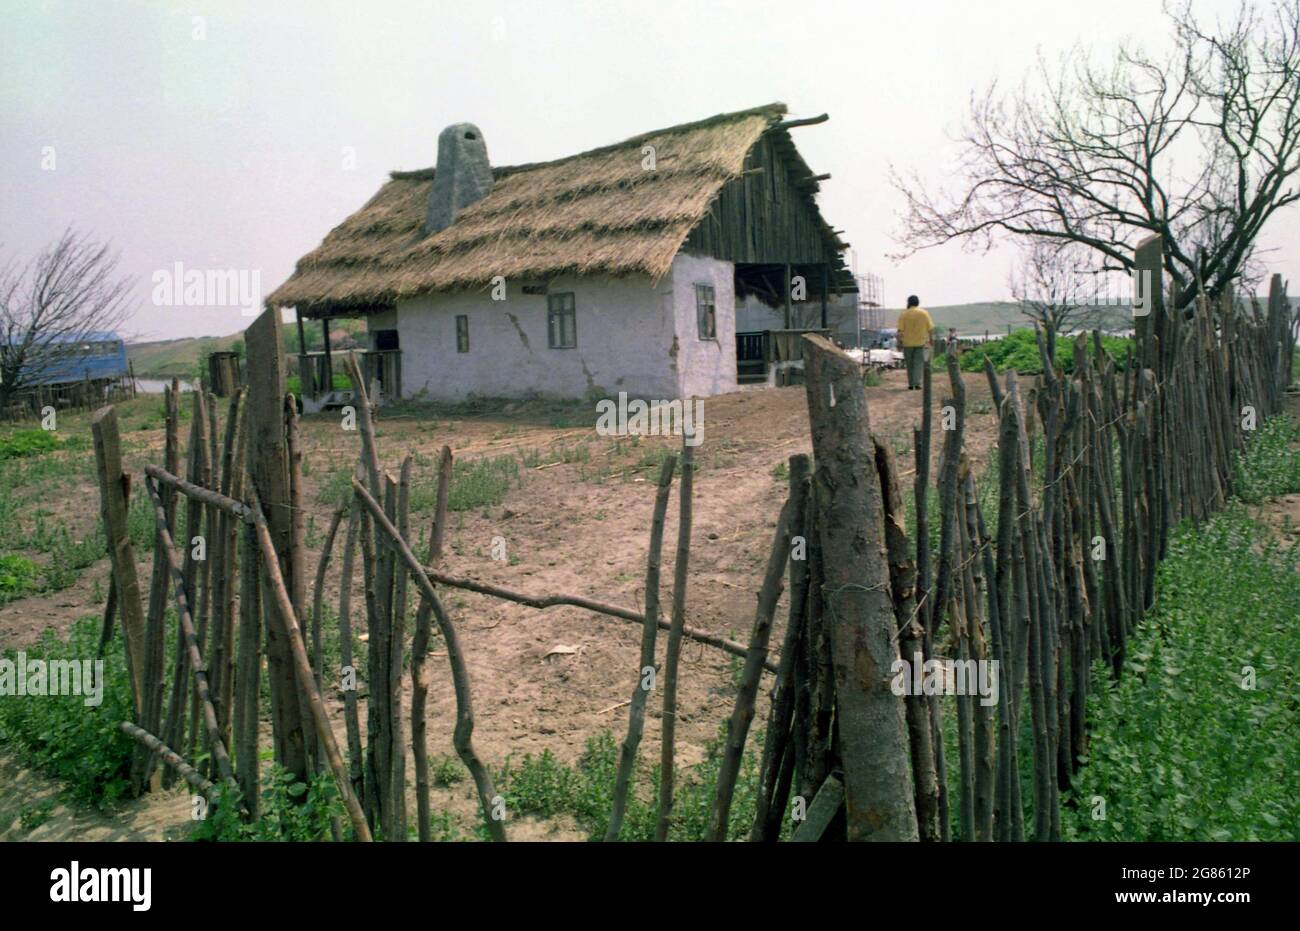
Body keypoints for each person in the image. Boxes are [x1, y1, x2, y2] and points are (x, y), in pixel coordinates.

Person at [896, 295, 934, 390]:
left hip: (907, 343)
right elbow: (930, 329)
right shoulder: (924, 313)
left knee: (909, 364)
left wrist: (899, 342)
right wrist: (931, 340)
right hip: (920, 342)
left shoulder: (904, 314)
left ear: (908, 302)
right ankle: (917, 383)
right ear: (918, 302)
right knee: (918, 363)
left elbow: (900, 331)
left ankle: (910, 383)